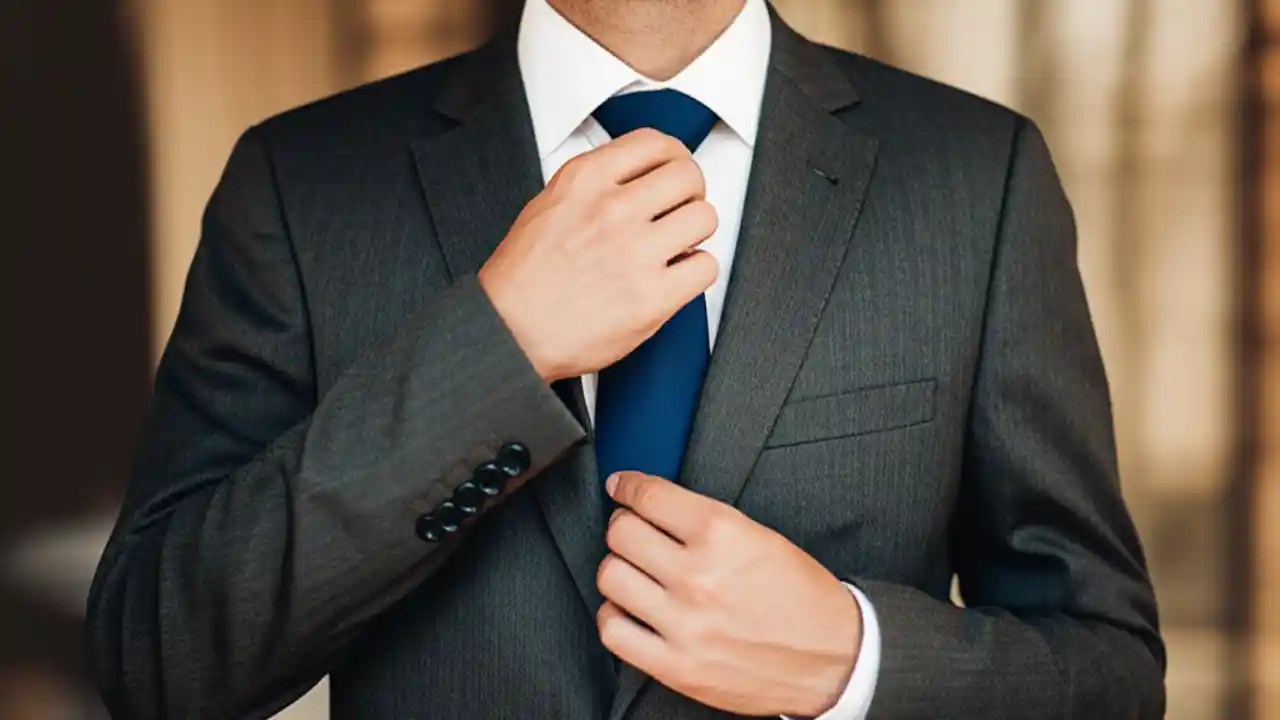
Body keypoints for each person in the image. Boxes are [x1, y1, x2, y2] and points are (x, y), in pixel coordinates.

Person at [87, 0, 1165, 718]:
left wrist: (854, 660)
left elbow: (1107, 670)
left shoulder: (976, 179)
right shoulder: (304, 184)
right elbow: (159, 662)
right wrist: (495, 348)